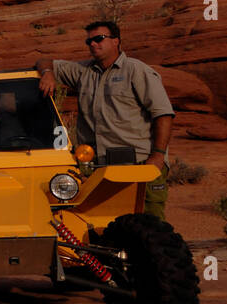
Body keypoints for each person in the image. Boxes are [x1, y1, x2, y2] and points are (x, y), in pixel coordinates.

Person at [36, 20, 176, 218]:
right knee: (103, 223)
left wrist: (158, 155)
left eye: (99, 39)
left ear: (116, 41)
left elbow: (163, 114)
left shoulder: (136, 70)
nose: (93, 44)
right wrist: (48, 73)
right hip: (100, 168)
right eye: (89, 41)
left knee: (151, 225)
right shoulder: (83, 72)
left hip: (140, 164)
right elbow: (43, 62)